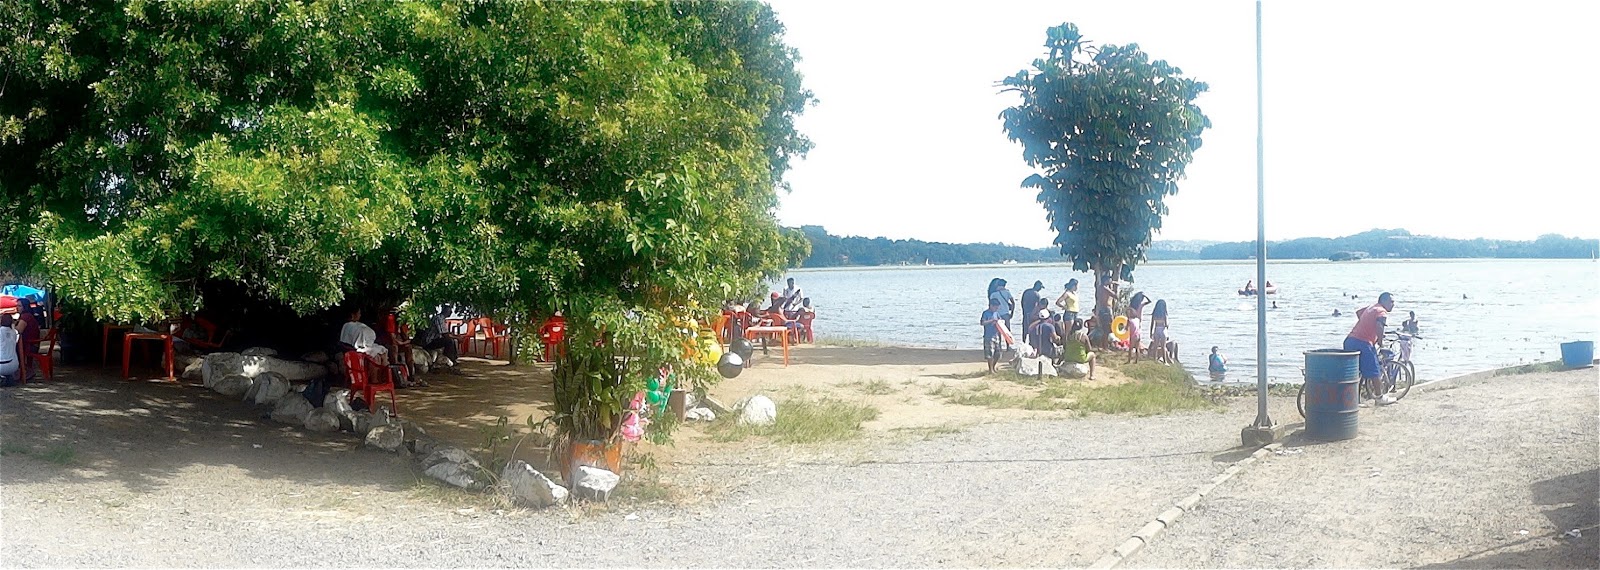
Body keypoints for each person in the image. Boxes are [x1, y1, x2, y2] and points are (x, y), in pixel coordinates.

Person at [1346, 292, 1397, 405]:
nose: (1393, 304)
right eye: (1391, 301)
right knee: (1375, 371)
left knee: (1353, 372)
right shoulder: (1381, 312)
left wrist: (1368, 327)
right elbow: (1379, 326)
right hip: (1363, 343)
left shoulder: (1371, 307)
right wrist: (1380, 341)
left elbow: (1359, 313)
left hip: (1350, 340)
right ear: (1383, 301)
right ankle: (1379, 398)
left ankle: (1353, 398)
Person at [411, 304, 461, 373]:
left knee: (450, 340)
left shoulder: (442, 319)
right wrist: (457, 338)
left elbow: (446, 332)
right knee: (448, 341)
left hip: (434, 340)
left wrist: (456, 336)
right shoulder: (439, 318)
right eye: (450, 311)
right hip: (429, 341)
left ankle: (453, 358)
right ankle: (450, 359)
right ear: (445, 311)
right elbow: (445, 334)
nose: (451, 313)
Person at [980, 298, 1005, 374]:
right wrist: (991, 321)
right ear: (991, 306)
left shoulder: (997, 313)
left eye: (997, 307)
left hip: (996, 334)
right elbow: (982, 322)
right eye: (995, 307)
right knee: (989, 353)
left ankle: (993, 367)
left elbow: (1000, 321)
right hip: (988, 335)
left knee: (998, 353)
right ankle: (990, 370)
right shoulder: (986, 313)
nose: (996, 308)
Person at [988, 279, 1016, 346]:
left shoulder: (993, 294)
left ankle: (999, 345)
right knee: (1007, 330)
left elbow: (991, 304)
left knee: (998, 330)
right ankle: (1008, 346)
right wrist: (1012, 313)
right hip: (1006, 313)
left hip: (996, 313)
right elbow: (1013, 302)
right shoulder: (1007, 293)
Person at [1092, 274, 1117, 349]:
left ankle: (1102, 345)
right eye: (1109, 280)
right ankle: (1105, 347)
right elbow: (1115, 296)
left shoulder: (1100, 288)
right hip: (1106, 309)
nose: (1110, 281)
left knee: (1104, 329)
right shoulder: (1105, 288)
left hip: (1102, 308)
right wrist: (1114, 287)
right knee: (1107, 329)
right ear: (1106, 281)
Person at [1125, 292, 1149, 363]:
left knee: (1131, 348)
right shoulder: (1141, 305)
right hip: (1138, 323)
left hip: (1133, 323)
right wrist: (1145, 296)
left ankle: (1129, 361)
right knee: (1137, 347)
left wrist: (1126, 327)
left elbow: (1127, 317)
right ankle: (1136, 361)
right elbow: (1149, 301)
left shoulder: (1132, 306)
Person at [1149, 299, 1171, 365]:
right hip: (1163, 330)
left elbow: (1152, 324)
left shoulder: (1154, 314)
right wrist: (1168, 325)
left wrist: (1150, 333)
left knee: (1155, 346)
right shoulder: (1164, 314)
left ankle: (1154, 359)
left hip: (1156, 329)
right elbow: (1166, 324)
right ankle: (1165, 361)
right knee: (1163, 346)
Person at [0, 314, 20, 386]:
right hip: (14, 365)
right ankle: (8, 377)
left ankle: (2, 377)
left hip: (1, 365)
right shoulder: (14, 332)